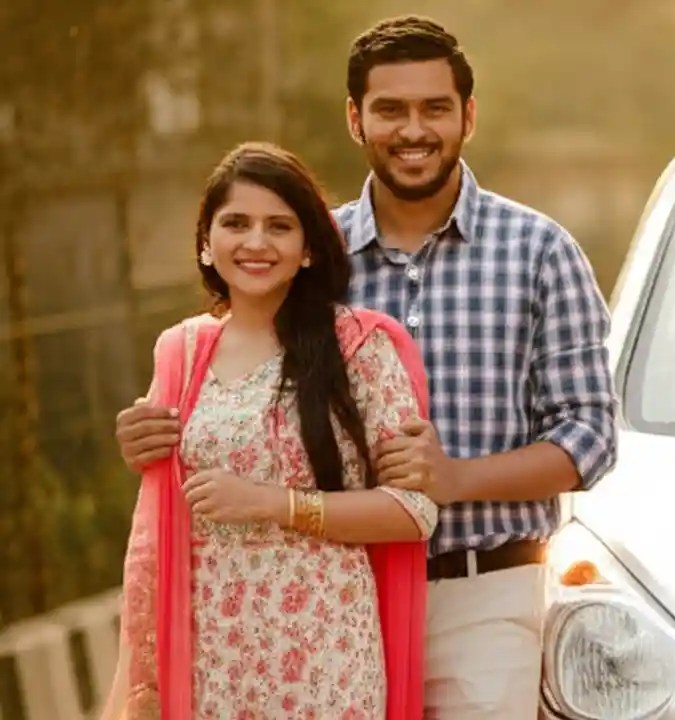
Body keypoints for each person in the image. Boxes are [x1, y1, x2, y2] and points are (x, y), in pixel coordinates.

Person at [114, 14, 619, 718]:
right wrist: (152, 431)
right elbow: (230, 369)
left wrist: (455, 479)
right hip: (331, 593)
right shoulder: (306, 249)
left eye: (434, 108)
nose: (414, 130)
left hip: (481, 588)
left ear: (467, 116)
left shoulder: (539, 251)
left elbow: (589, 437)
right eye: (390, 110)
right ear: (356, 120)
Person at [102, 141, 434, 719]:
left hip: (326, 653)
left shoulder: (358, 348)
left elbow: (414, 512)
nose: (256, 242)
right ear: (207, 242)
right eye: (236, 223)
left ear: (307, 248)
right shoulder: (179, 352)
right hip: (211, 655)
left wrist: (273, 504)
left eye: (279, 226)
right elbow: (157, 516)